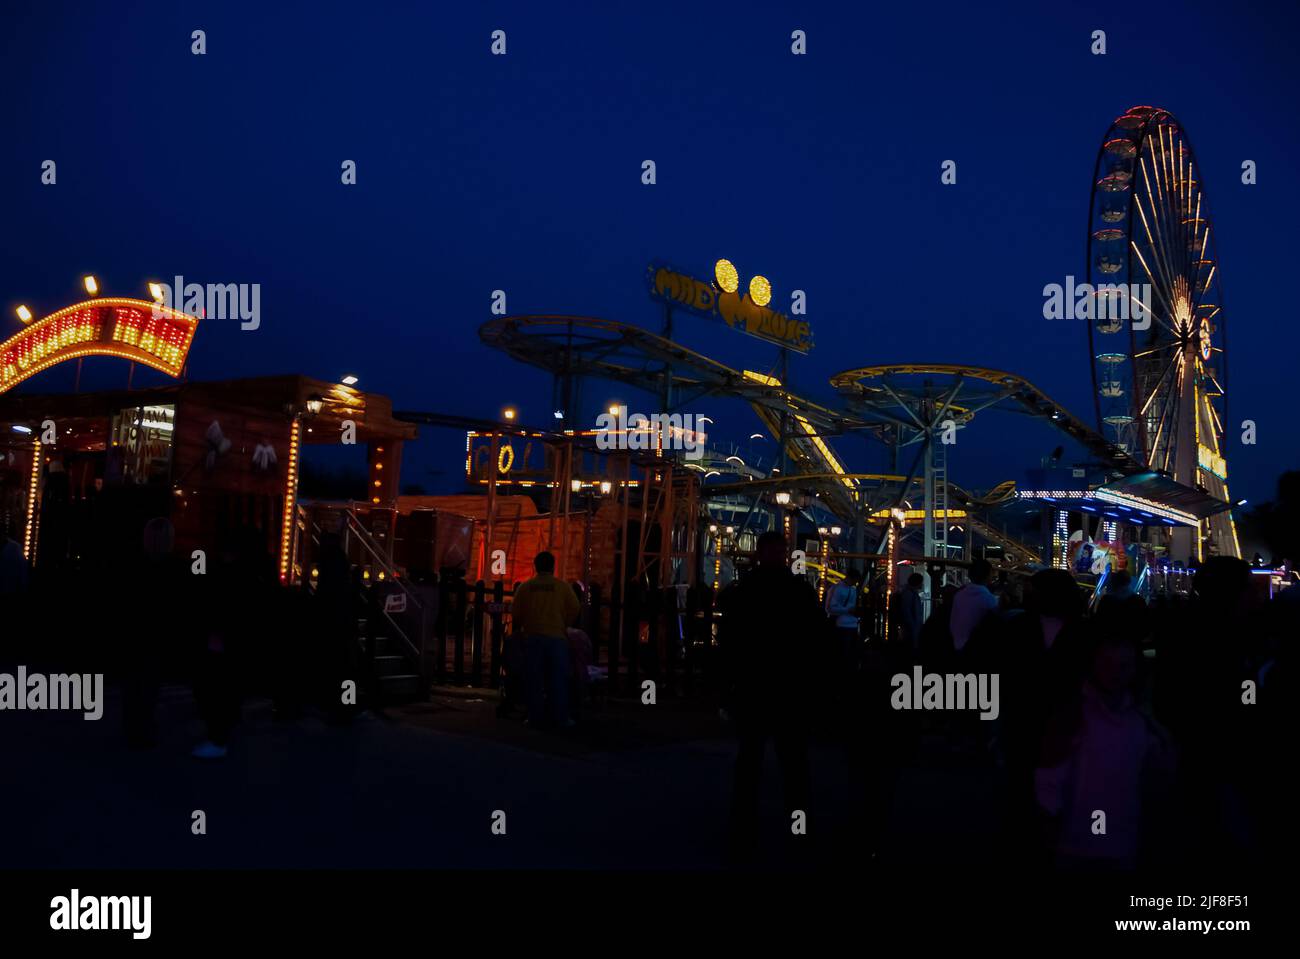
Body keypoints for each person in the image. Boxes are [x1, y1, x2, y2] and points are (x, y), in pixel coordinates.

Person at [718, 530, 823, 864]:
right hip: (790, 690)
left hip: (753, 687)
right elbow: (817, 642)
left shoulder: (742, 592)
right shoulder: (801, 592)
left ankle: (743, 831)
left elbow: (728, 643)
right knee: (794, 764)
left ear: (758, 554)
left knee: (749, 761)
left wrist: (726, 688)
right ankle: (798, 827)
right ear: (785, 554)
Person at [1035, 634, 1174, 869]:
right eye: (1108, 665)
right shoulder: (1075, 717)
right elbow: (1049, 780)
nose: (1115, 673)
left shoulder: (1140, 721)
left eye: (1123, 666)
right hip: (1082, 844)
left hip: (1108, 841)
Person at [511, 551, 580, 729]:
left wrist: (525, 624)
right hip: (556, 637)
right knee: (558, 680)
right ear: (553, 566)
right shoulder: (562, 586)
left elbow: (516, 612)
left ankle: (535, 717)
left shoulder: (525, 587)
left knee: (534, 679)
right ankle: (560, 718)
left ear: (535, 566)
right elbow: (574, 607)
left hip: (533, 636)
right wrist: (565, 622)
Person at [949, 558, 999, 656]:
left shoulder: (959, 595)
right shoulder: (989, 599)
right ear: (988, 575)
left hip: (957, 646)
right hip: (976, 651)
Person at [825, 568, 862, 671]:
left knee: (845, 651)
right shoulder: (846, 589)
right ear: (851, 578)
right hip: (845, 624)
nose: (855, 582)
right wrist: (848, 610)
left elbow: (830, 608)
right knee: (847, 651)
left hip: (845, 624)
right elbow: (829, 608)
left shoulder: (839, 589)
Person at [893, 572, 925, 655]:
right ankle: (916, 668)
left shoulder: (909, 593)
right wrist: (912, 626)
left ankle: (913, 667)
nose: (922, 584)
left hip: (912, 629)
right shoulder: (910, 594)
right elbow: (907, 612)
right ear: (917, 583)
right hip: (912, 630)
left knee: (912, 654)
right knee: (914, 655)